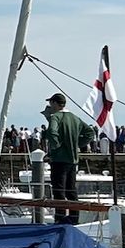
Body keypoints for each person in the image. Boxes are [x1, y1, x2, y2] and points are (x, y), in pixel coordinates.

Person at [41, 94, 94, 225]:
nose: (50, 106)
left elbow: (52, 132)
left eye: (51, 103)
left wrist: (56, 147)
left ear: (55, 103)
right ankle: (74, 219)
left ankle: (60, 219)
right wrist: (77, 144)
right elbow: (90, 133)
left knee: (59, 191)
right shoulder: (75, 118)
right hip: (73, 160)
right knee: (71, 191)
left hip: (59, 160)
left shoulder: (55, 117)